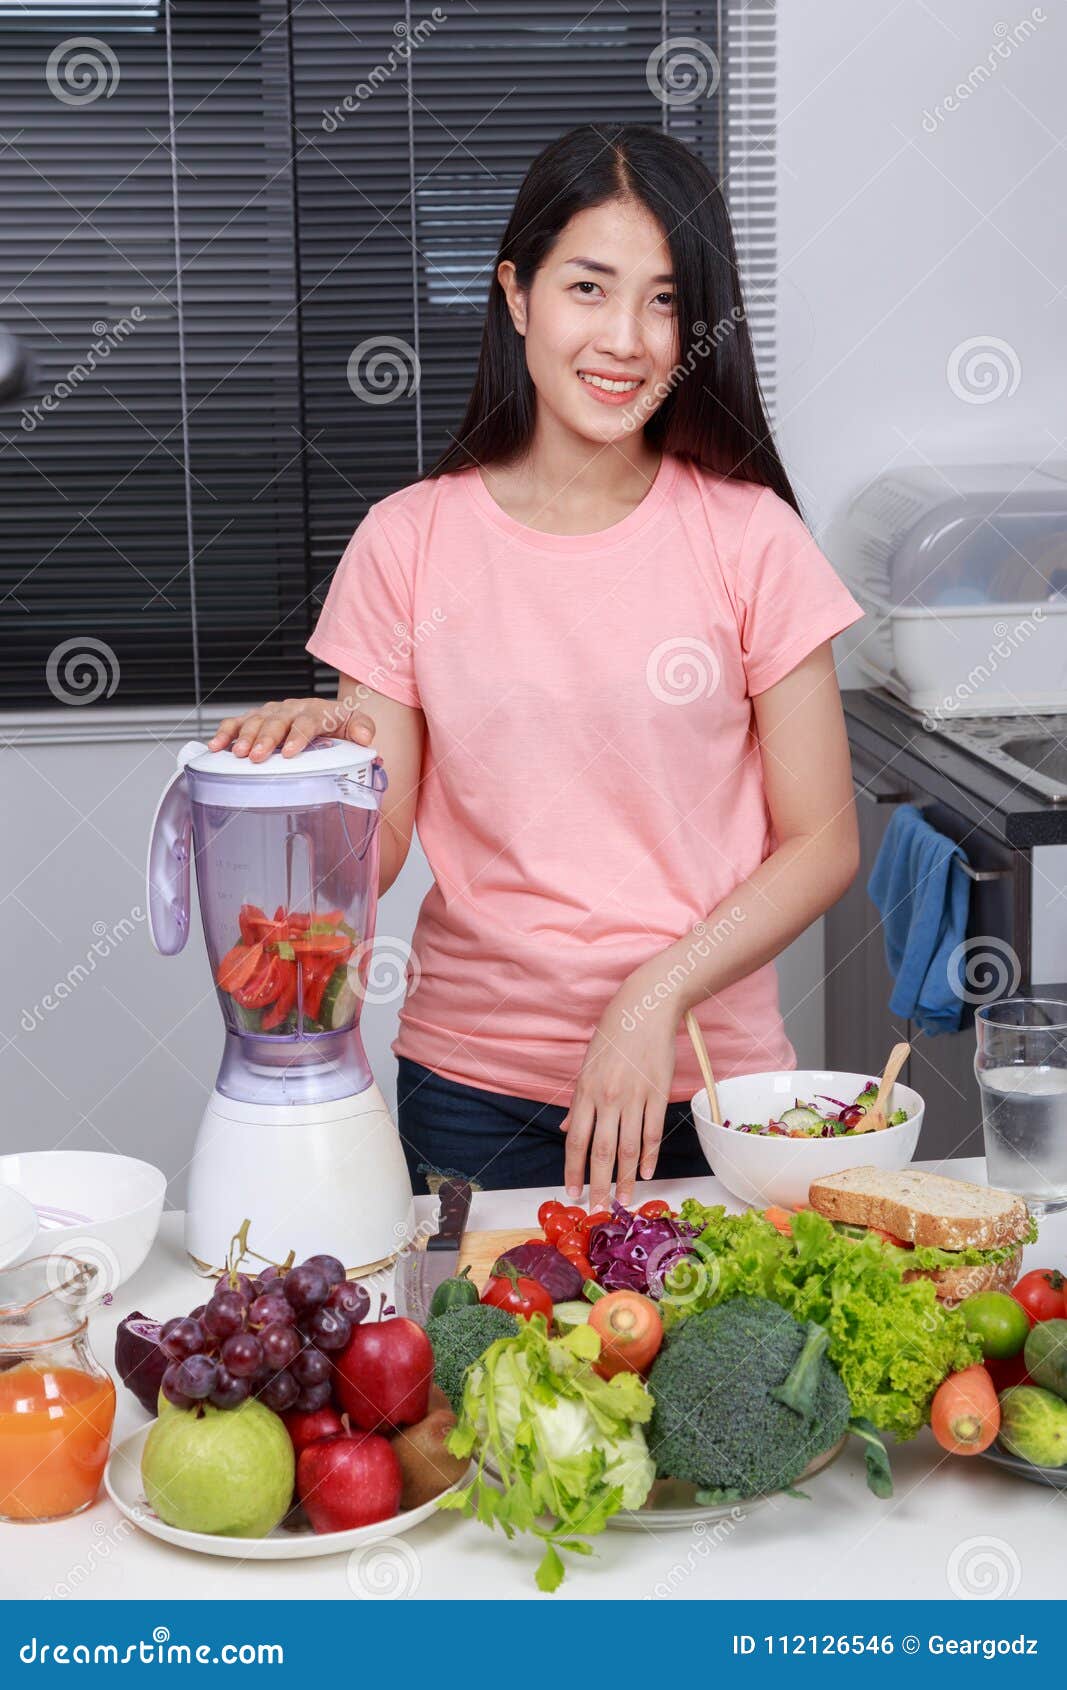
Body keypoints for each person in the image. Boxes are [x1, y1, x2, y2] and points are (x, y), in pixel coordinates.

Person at [210, 122, 863, 1207]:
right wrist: (310, 781)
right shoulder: (407, 541)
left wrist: (648, 998)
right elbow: (366, 865)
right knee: (492, 1378)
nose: (625, 338)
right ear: (516, 295)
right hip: (477, 1091)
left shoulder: (751, 539)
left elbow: (822, 841)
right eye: (588, 288)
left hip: (715, 1089)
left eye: (663, 300)